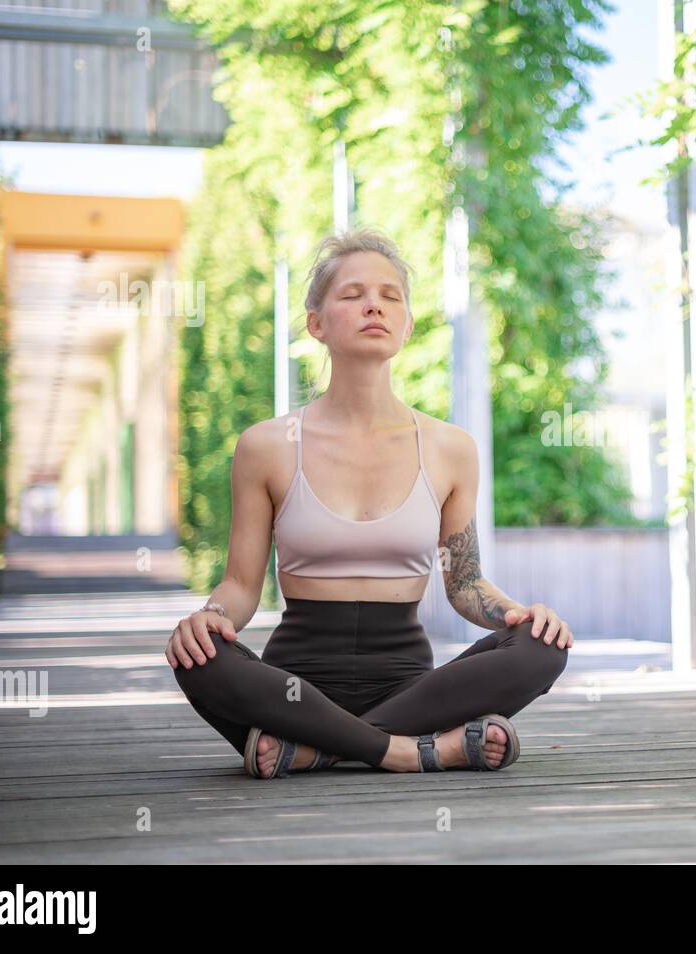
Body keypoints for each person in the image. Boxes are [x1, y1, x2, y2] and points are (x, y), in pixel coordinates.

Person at [164, 227, 571, 778]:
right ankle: (412, 750)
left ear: (405, 325)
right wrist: (208, 619)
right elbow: (240, 586)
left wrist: (521, 616)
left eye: (390, 296)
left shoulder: (450, 449)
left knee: (541, 647)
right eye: (352, 295)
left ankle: (316, 751)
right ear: (316, 323)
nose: (373, 305)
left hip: (412, 684)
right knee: (200, 655)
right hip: (292, 689)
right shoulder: (265, 446)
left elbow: (465, 583)